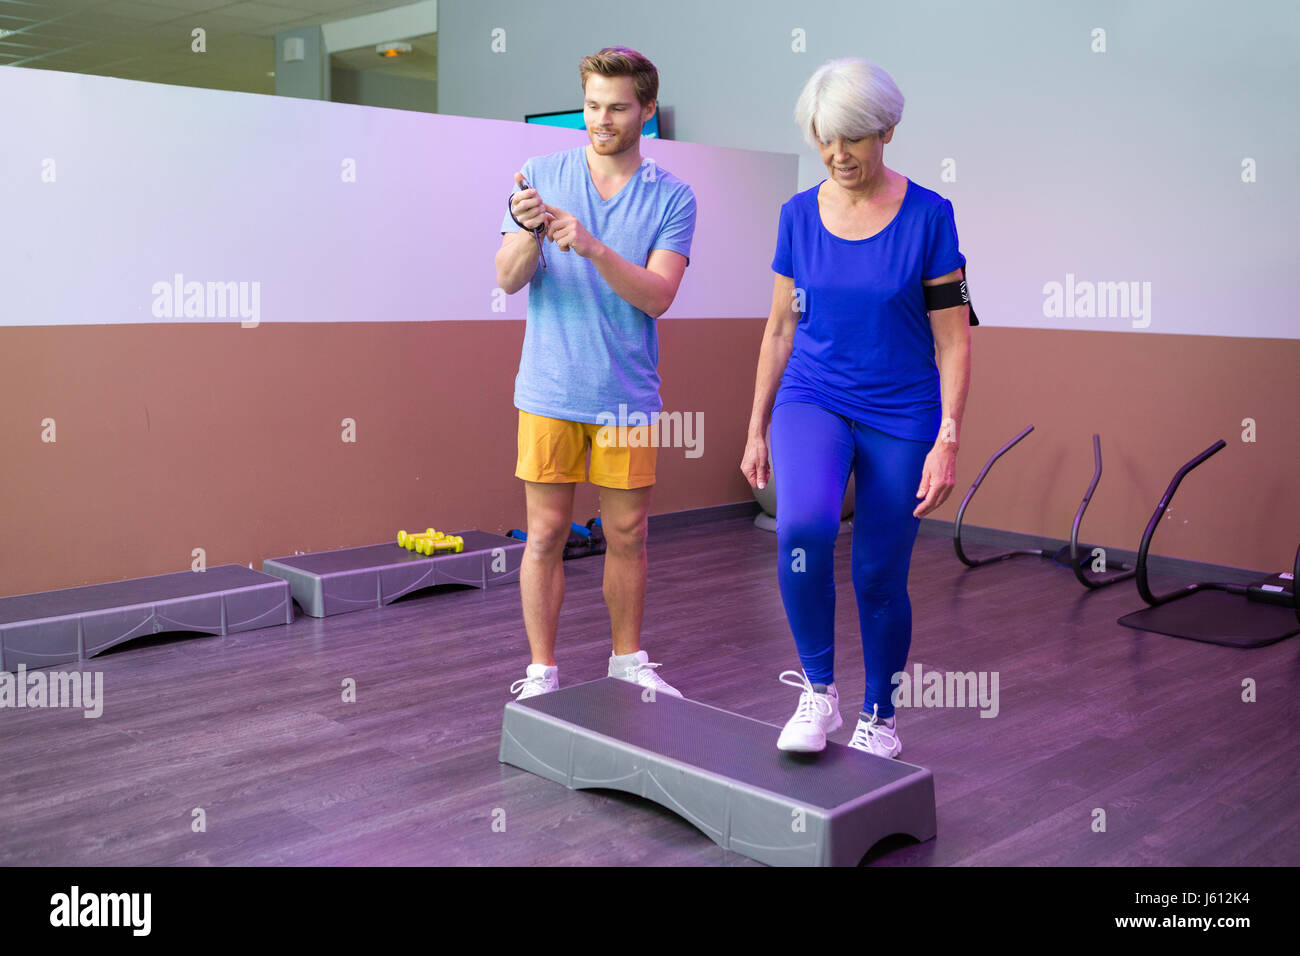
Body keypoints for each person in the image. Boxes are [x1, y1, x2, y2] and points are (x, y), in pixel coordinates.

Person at [740, 58, 973, 758]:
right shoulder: (796, 216)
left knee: (878, 571)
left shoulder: (931, 217)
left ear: (888, 130)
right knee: (802, 529)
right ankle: (818, 693)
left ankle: (880, 718)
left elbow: (954, 342)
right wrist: (756, 426)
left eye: (853, 139)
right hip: (813, 396)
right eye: (824, 138)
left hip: (902, 410)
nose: (837, 154)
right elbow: (781, 327)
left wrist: (948, 439)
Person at [496, 47, 697, 701]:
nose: (600, 119)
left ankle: (627, 661)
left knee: (628, 534)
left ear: (644, 110)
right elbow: (506, 278)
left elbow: (658, 295)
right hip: (550, 387)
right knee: (548, 532)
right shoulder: (539, 174)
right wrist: (529, 233)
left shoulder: (672, 196)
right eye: (591, 105)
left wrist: (592, 245)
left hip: (624, 397)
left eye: (615, 107)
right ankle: (540, 672)